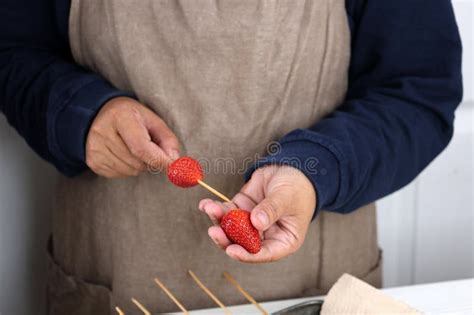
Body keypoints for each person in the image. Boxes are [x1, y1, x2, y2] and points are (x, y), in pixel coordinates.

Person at [0, 0, 462, 314]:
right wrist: (79, 112)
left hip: (311, 272)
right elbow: (12, 50)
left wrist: (316, 168)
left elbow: (417, 92)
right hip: (114, 267)